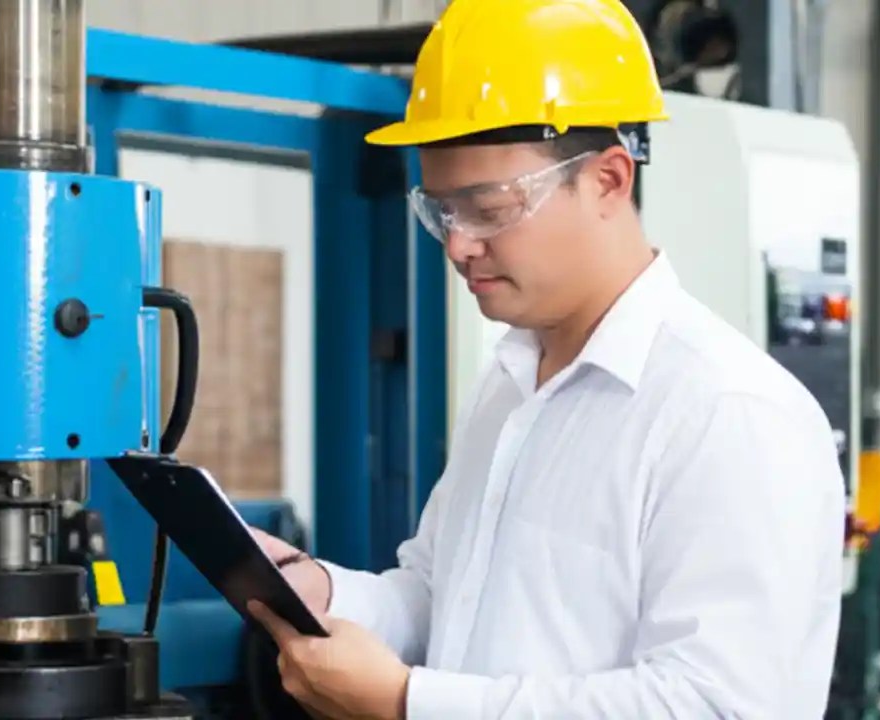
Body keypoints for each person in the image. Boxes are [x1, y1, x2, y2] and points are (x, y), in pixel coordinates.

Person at [247, 0, 847, 717]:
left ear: (608, 180)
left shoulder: (727, 413)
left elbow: (716, 706)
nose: (458, 244)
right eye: (441, 211)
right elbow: (443, 597)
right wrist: (317, 588)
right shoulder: (509, 385)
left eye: (490, 209)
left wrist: (409, 702)